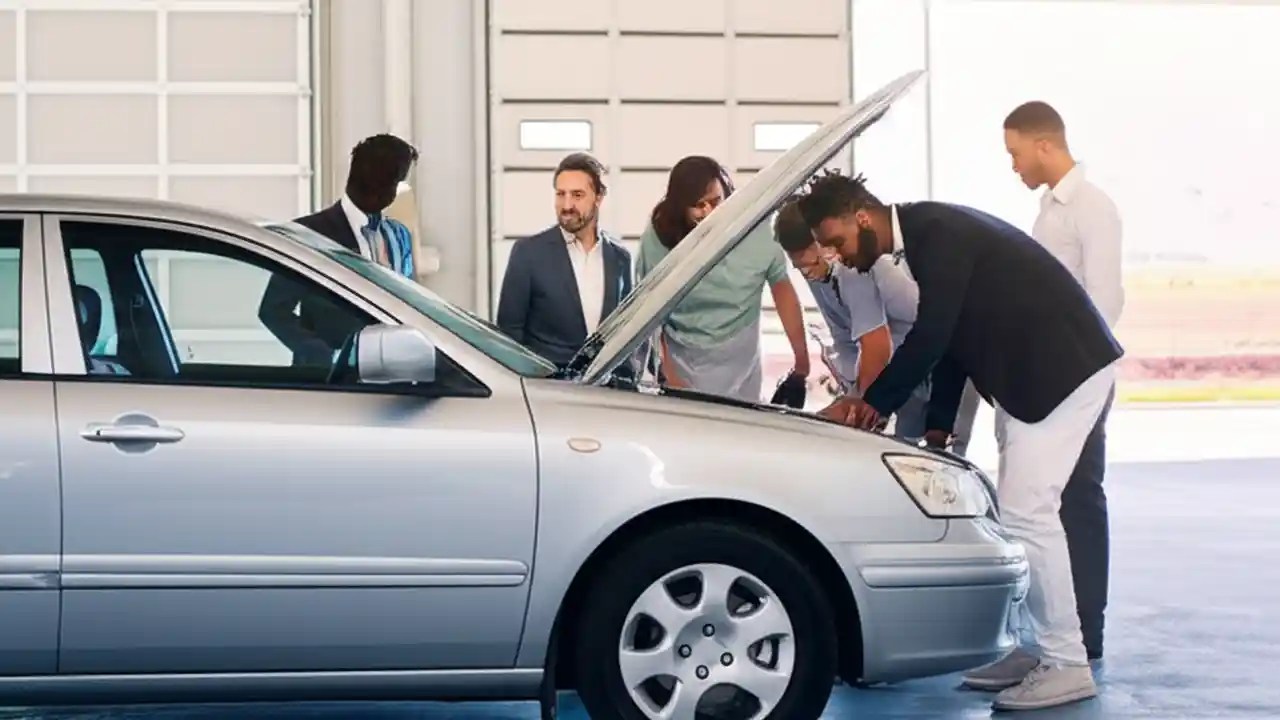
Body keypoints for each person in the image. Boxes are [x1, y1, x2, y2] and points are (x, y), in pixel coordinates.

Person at [796, 172, 1122, 712]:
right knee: (1022, 512)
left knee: (1028, 512)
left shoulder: (938, 232)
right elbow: (954, 338)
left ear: (862, 218)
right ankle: (1041, 648)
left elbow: (935, 334)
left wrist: (874, 403)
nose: (834, 256)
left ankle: (1067, 662)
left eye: (836, 242)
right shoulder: (926, 236)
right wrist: (937, 428)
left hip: (1065, 369)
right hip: (1035, 377)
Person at [1005, 100, 1124, 661]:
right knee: (1057, 500)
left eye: (1016, 152)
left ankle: (1086, 632)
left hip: (1080, 377)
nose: (1014, 166)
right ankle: (1060, 629)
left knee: (1078, 498)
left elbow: (1105, 299)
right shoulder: (1049, 211)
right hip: (1053, 378)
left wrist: (1072, 371)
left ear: (1044, 145)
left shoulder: (1091, 209)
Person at [637, 156, 808, 402]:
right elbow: (649, 312)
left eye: (716, 201)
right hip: (682, 360)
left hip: (742, 362)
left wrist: (801, 360)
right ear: (679, 207)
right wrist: (668, 374)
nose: (709, 213)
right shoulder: (659, 234)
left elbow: (782, 290)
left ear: (727, 192)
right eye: (698, 205)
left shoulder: (757, 228)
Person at [259, 133, 419, 366]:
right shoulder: (308, 233)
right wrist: (318, 352)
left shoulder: (398, 235)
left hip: (392, 375)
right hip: (329, 384)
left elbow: (410, 305)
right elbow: (273, 310)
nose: (393, 192)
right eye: (394, 182)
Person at [496, 152, 633, 369]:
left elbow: (625, 332)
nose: (566, 205)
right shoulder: (528, 253)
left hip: (603, 390)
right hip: (546, 390)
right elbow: (508, 335)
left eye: (577, 195)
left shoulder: (619, 258)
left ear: (598, 197)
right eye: (561, 194)